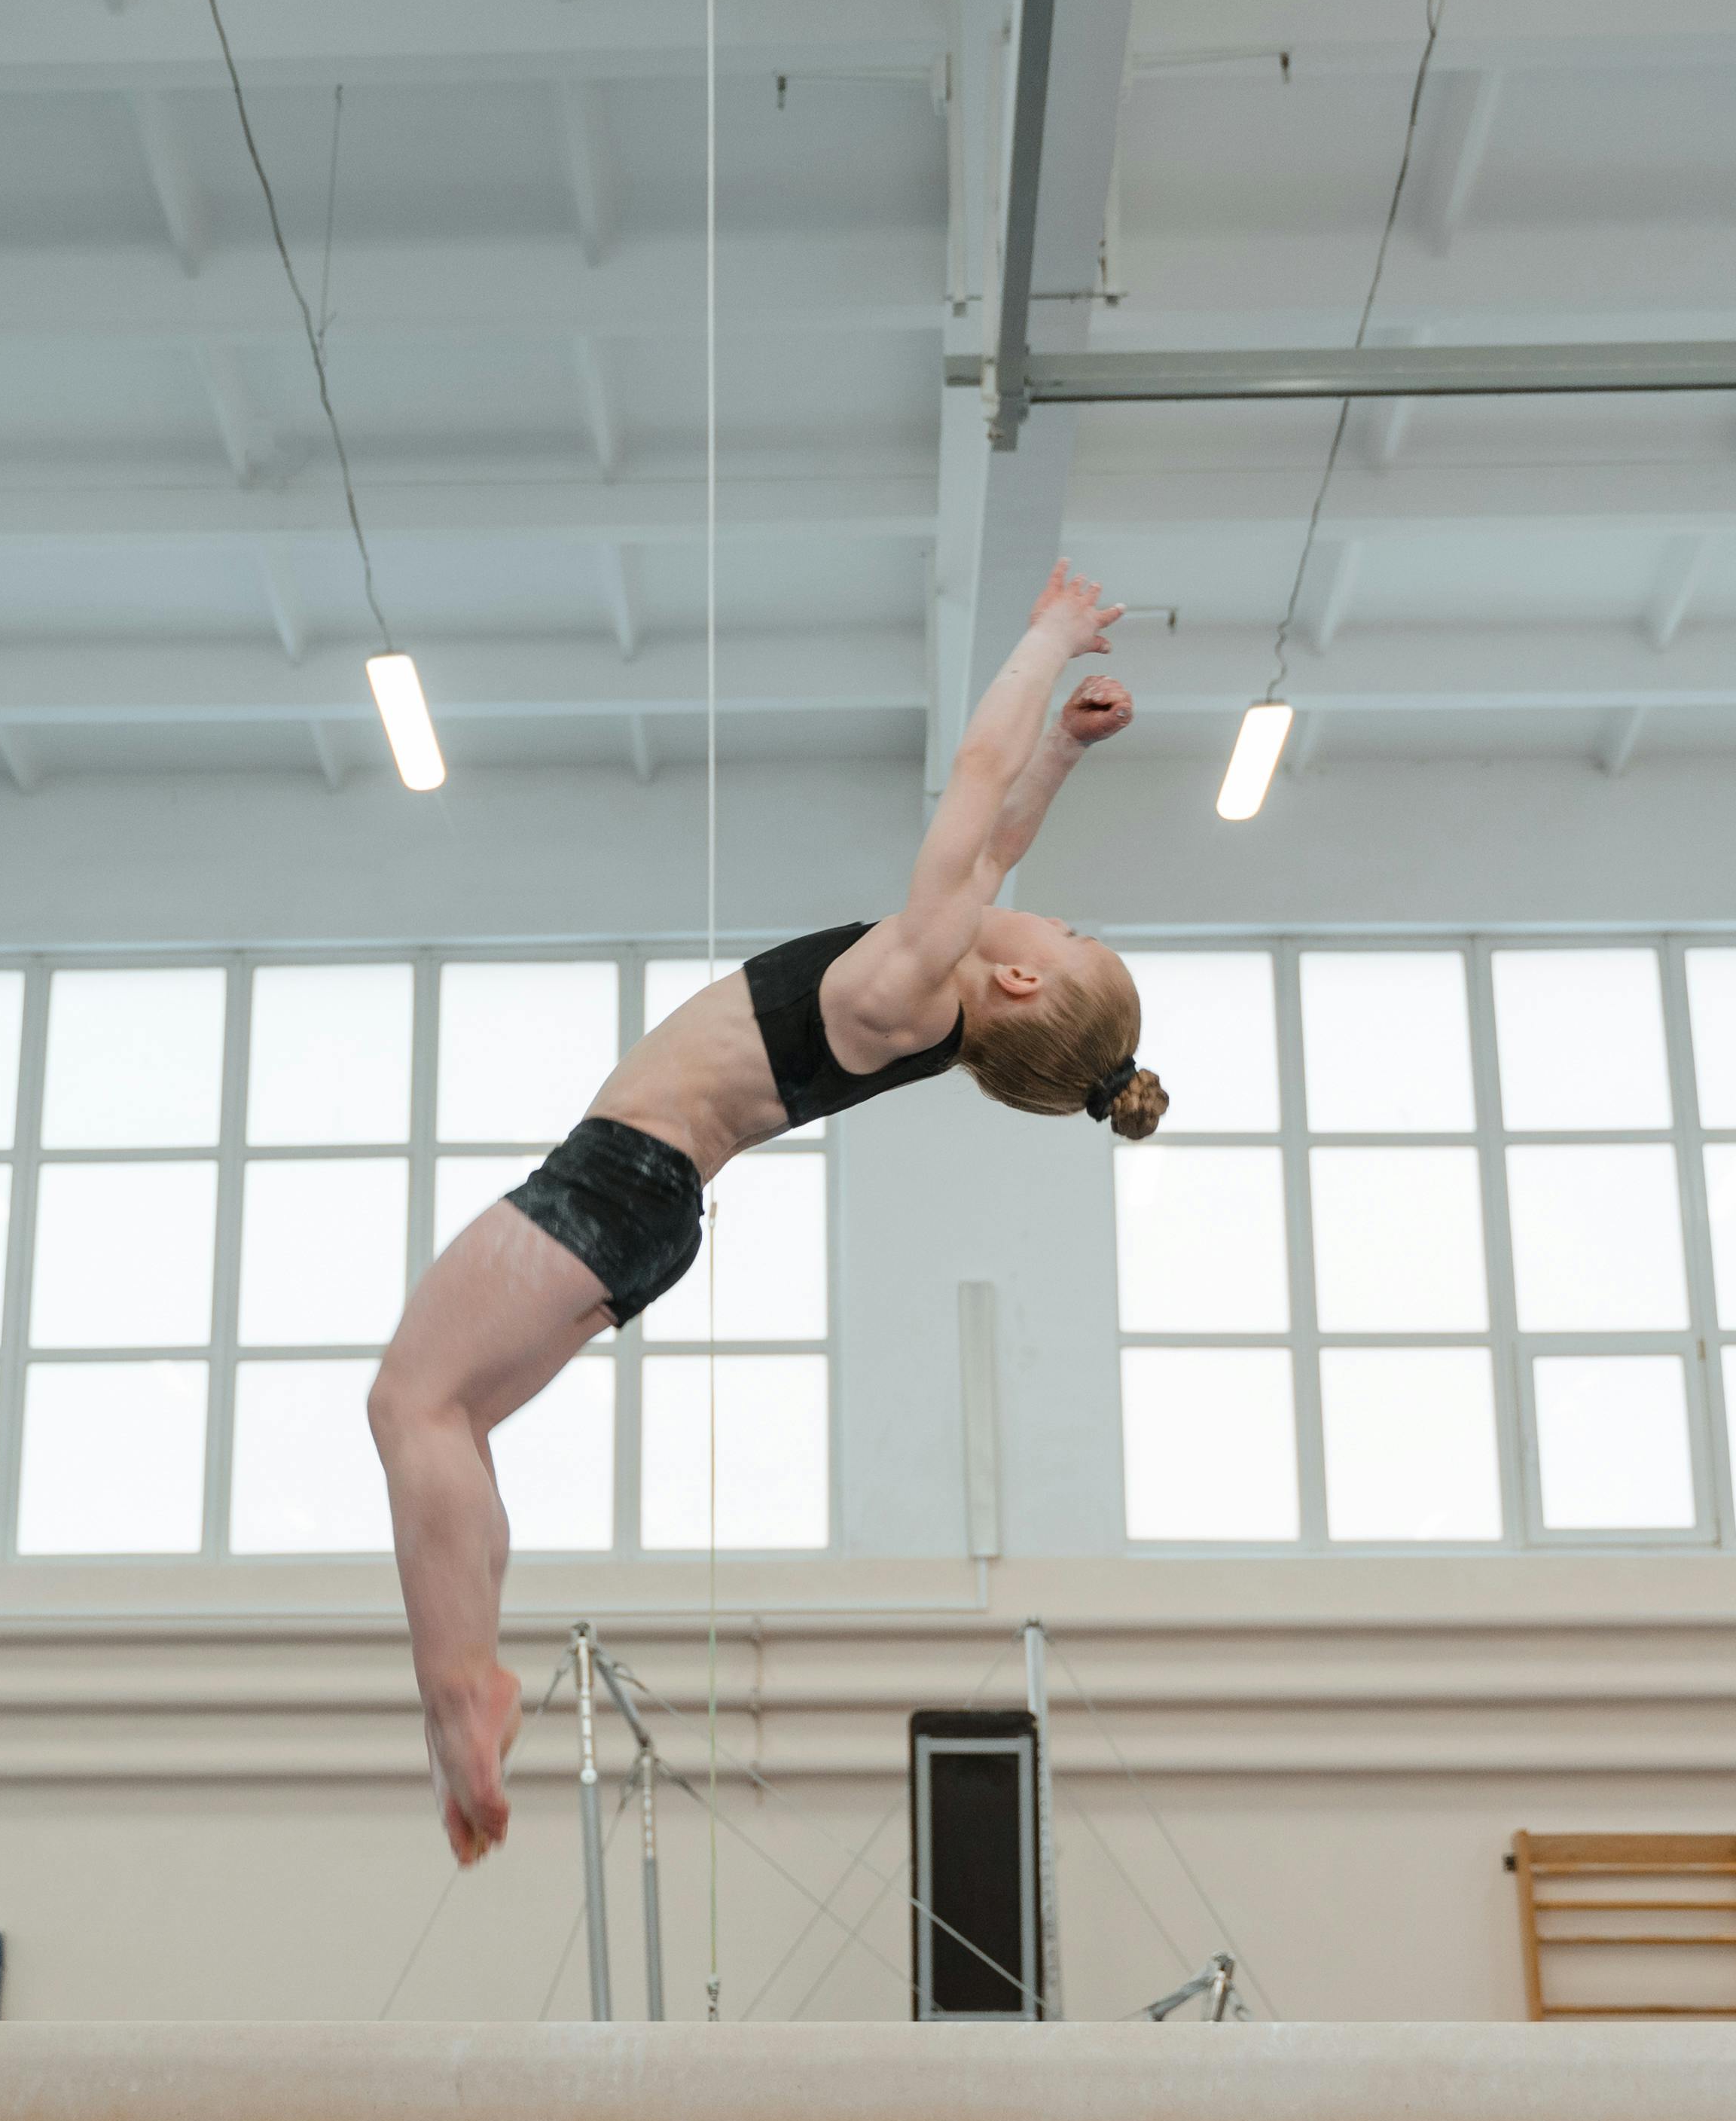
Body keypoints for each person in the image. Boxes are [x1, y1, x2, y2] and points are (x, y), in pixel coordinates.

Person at [368, 560, 1170, 1863]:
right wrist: (1066, 757)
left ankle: (463, 1686)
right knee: (442, 1413)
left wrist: (1044, 643)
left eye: (1072, 933)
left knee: (412, 1401)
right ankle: (468, 1691)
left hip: (622, 1175)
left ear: (1022, 977)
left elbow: (971, 783)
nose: (1047, 903)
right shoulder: (934, 981)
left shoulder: (912, 978)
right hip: (652, 1202)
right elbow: (1001, 832)